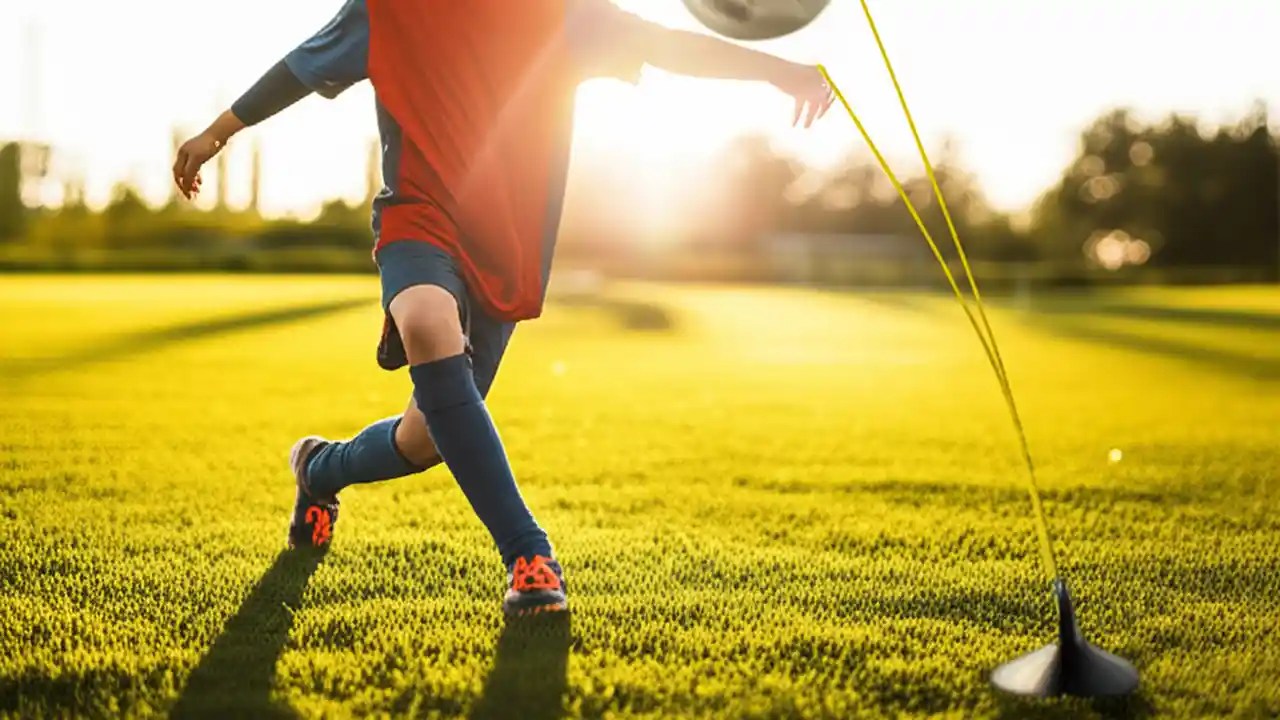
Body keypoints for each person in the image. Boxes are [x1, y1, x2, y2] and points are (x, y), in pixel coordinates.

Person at [173, 0, 833, 617]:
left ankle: (319, 469)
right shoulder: (388, 9)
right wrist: (218, 132)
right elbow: (302, 65)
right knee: (429, 322)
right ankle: (529, 556)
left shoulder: (562, 14)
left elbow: (666, 46)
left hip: (507, 248)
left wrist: (782, 72)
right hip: (419, 221)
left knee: (425, 439)